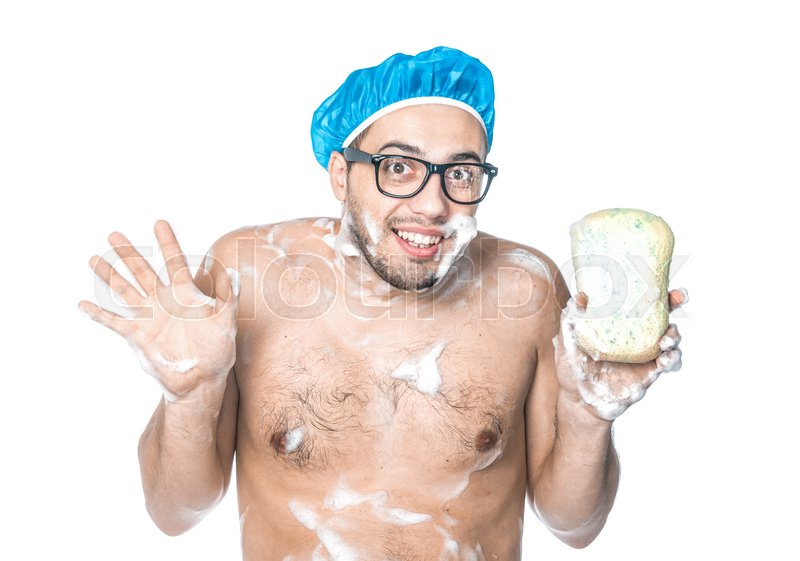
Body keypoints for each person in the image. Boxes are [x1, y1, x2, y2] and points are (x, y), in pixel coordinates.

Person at [78, 46, 685, 561]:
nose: (431, 205)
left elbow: (575, 526)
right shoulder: (246, 273)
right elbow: (173, 514)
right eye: (398, 167)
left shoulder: (526, 288)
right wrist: (188, 397)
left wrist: (589, 414)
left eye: (462, 174)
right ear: (341, 175)